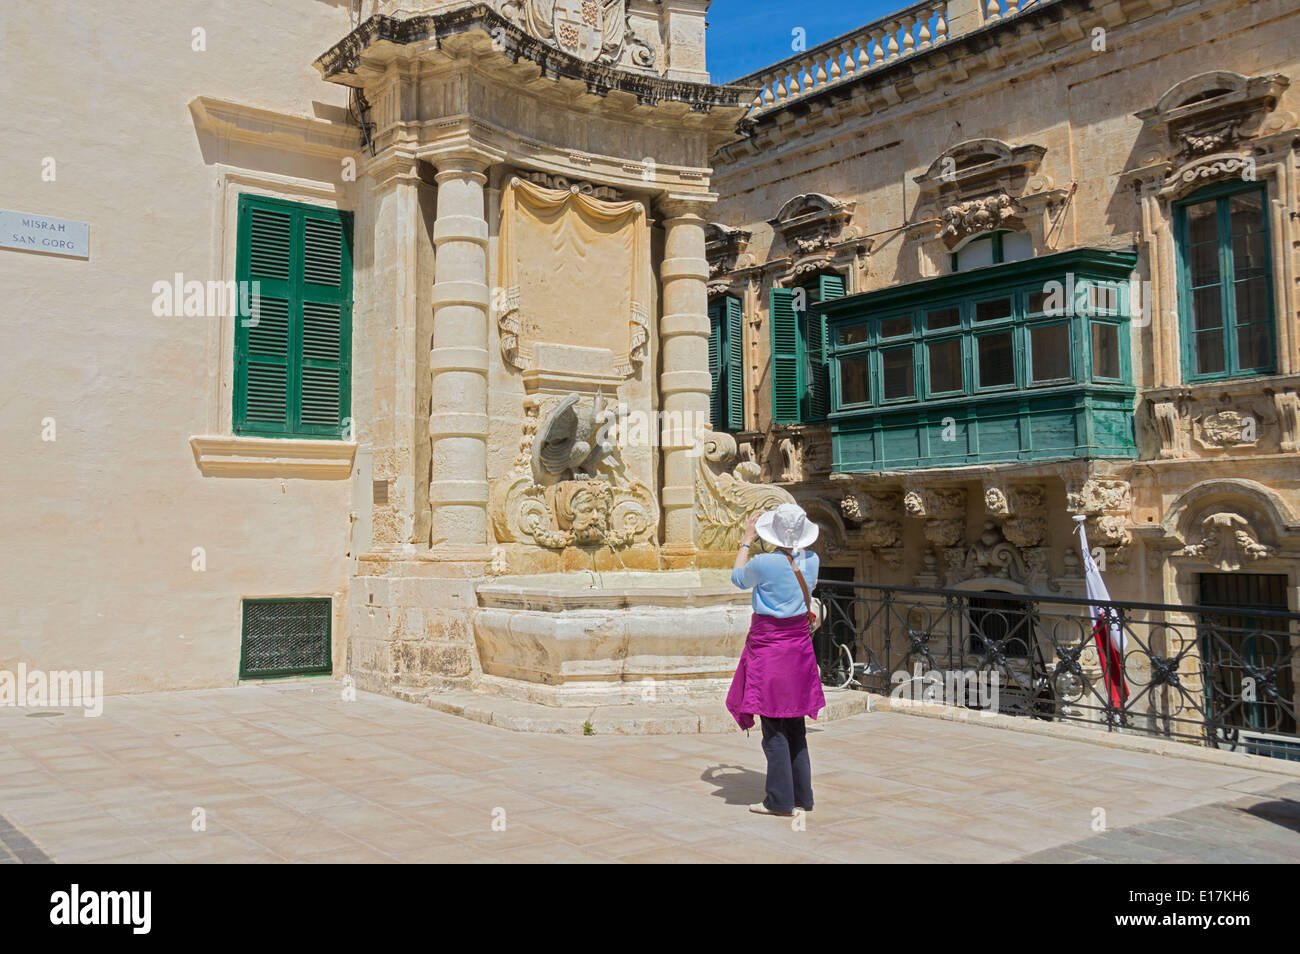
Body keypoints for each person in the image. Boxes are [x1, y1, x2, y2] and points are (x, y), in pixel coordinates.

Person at [726, 502, 827, 816]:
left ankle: (779, 801)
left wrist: (746, 539)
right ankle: (802, 796)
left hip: (770, 647)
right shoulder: (813, 560)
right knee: (794, 722)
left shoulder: (764, 562)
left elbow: (737, 578)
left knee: (773, 724)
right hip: (798, 648)